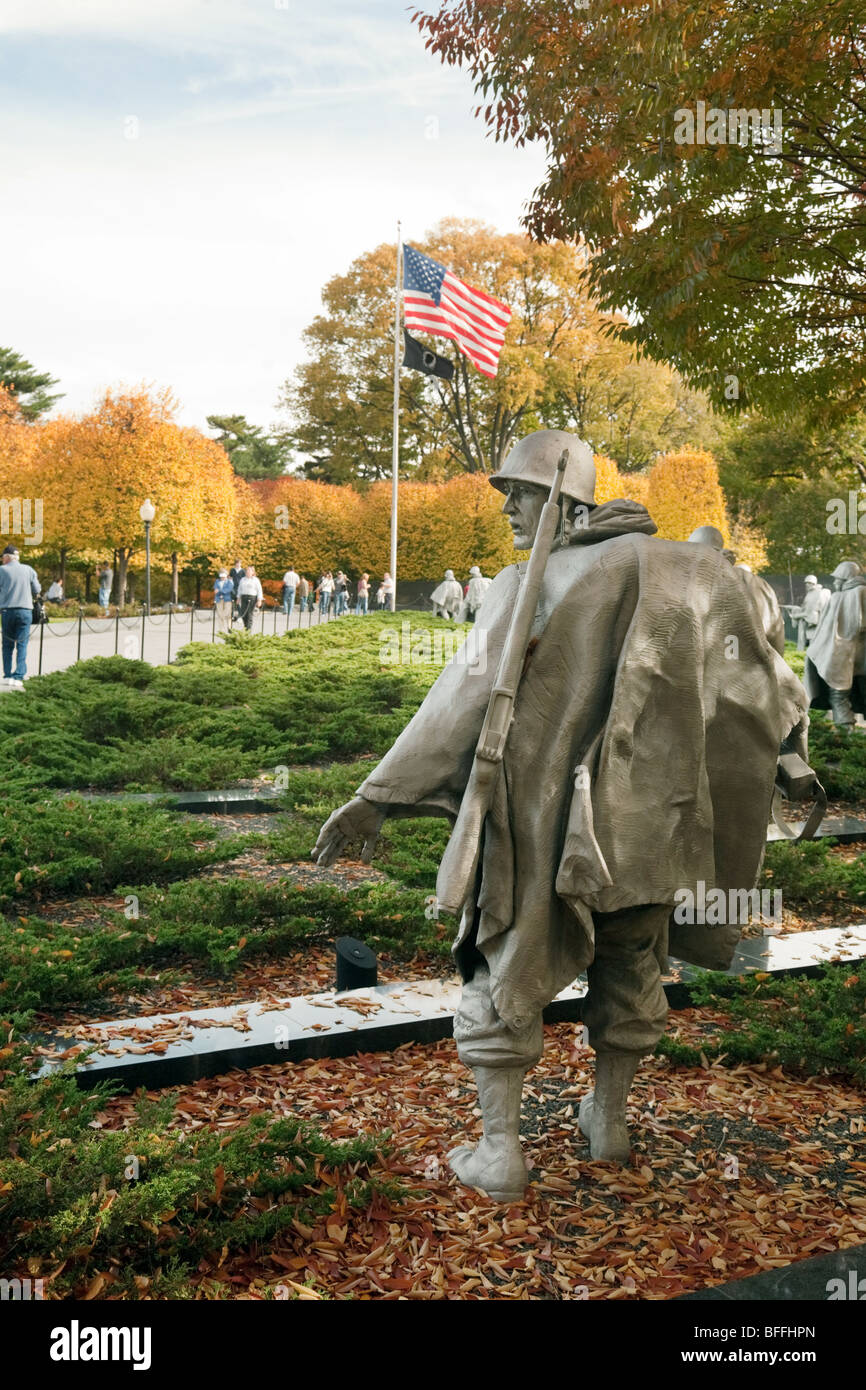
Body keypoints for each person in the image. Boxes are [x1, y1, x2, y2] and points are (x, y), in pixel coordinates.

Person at [313, 429, 808, 1202]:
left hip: (541, 826)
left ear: (567, 501)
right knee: (633, 960)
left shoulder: (528, 581)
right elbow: (765, 683)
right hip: (656, 824)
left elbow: (463, 698)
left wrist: (379, 797)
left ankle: (501, 1153)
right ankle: (608, 1122)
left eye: (523, 491)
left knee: (504, 961)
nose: (510, 505)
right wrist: (784, 763)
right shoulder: (701, 572)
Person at [687, 525, 786, 656]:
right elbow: (776, 637)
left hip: (714, 669)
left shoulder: (695, 580)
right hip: (756, 669)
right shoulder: (762, 585)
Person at [803, 560, 866, 729]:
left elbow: (826, 631)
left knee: (838, 694)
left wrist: (815, 650)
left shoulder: (840, 597)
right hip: (859, 658)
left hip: (840, 656)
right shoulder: (862, 592)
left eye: (838, 578)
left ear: (846, 578)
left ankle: (846, 735)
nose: (835, 582)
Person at [0, 544, 41, 687]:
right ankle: (19, 676)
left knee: (7, 645)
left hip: (7, 611)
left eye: (2, 558)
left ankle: (7, 675)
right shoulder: (28, 569)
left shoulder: (2, 570)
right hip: (25, 611)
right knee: (22, 644)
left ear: (6, 558)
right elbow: (37, 589)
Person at [785, 574, 831, 650]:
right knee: (802, 635)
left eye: (808, 583)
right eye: (806, 583)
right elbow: (805, 609)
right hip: (806, 619)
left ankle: (808, 652)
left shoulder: (818, 593)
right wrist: (795, 608)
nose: (806, 585)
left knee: (813, 640)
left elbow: (810, 612)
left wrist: (795, 616)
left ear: (813, 583)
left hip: (814, 621)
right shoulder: (810, 593)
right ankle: (800, 651)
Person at [236, 565, 263, 631]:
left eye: (249, 570)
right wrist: (238, 598)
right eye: (246, 570)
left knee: (249, 614)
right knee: (243, 613)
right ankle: (245, 627)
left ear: (252, 572)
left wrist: (259, 600)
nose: (247, 571)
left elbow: (259, 590)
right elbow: (239, 589)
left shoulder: (256, 580)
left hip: (252, 598)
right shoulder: (243, 579)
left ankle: (248, 629)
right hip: (244, 597)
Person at [213, 568, 234, 634]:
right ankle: (221, 629)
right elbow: (215, 589)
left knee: (227, 613)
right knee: (220, 614)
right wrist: (219, 591)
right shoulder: (217, 581)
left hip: (227, 599)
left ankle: (229, 627)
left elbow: (229, 589)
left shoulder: (229, 581)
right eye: (221, 576)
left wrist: (220, 591)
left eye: (223, 576)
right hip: (219, 599)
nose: (222, 578)